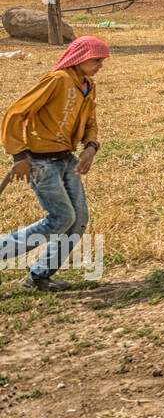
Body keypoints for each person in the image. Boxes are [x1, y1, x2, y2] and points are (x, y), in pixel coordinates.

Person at [1, 36, 109, 291]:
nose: (100, 65)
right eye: (96, 60)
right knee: (61, 217)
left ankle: (39, 276)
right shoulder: (56, 80)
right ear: (80, 58)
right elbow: (15, 113)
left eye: (102, 61)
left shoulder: (87, 86)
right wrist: (19, 156)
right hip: (40, 162)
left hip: (66, 159)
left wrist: (90, 148)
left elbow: (90, 121)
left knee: (78, 218)